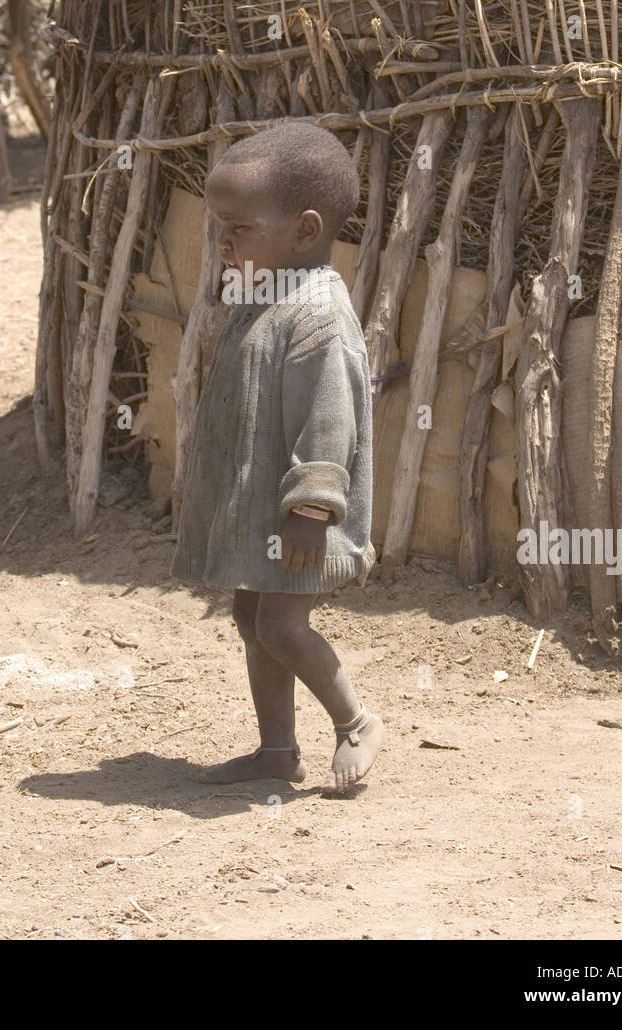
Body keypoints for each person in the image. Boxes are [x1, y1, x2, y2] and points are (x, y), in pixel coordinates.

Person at [170, 119, 384, 794]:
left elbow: (329, 421)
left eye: (239, 228)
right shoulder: (264, 295)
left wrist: (313, 509)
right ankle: (276, 751)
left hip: (298, 518)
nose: (225, 243)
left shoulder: (319, 316)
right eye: (220, 228)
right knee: (250, 618)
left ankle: (355, 722)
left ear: (305, 230)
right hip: (260, 509)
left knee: (282, 624)